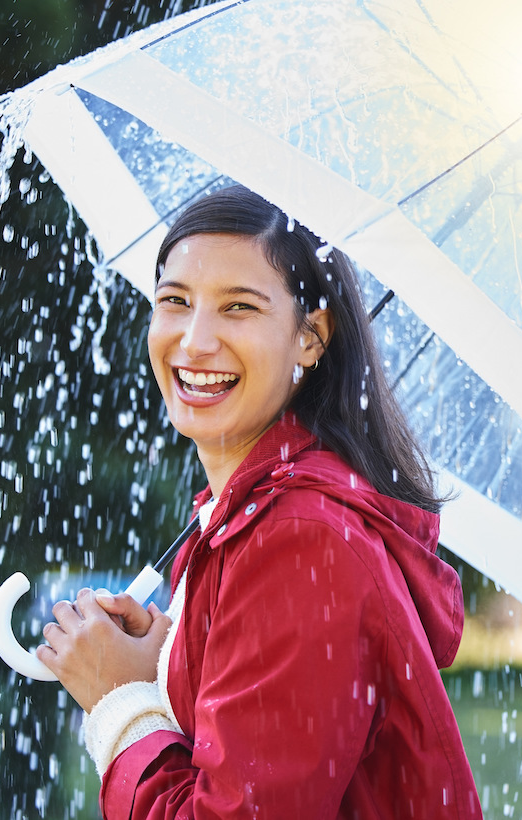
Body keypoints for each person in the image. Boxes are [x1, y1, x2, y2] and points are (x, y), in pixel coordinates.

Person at [36, 185, 483, 819]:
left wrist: (122, 699)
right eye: (174, 301)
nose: (193, 341)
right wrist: (175, 658)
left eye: (238, 308)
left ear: (310, 336)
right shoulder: (249, 518)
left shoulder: (304, 540)